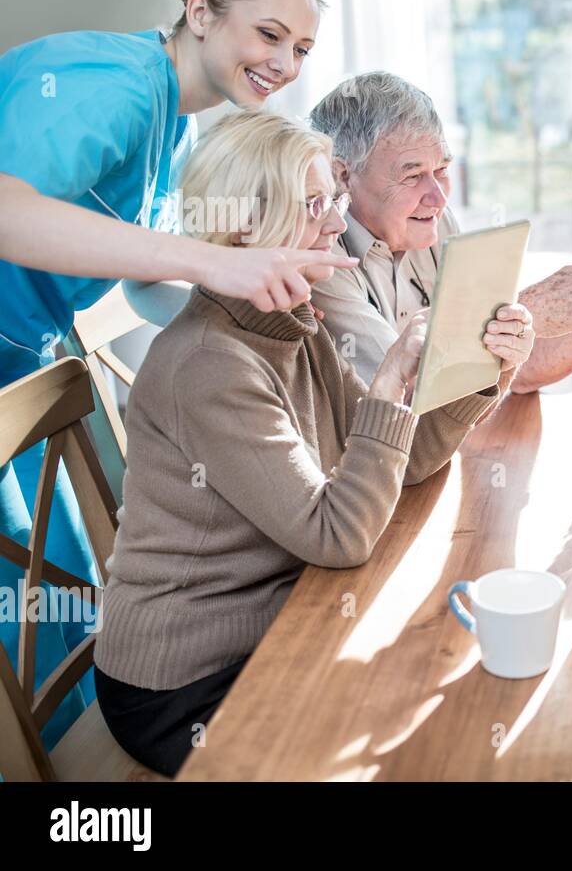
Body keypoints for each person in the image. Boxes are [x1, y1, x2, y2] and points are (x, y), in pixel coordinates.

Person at [93, 110, 534, 777]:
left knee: (436, 692)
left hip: (283, 614)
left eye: (332, 195)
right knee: (419, 730)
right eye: (315, 203)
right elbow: (339, 537)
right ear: (245, 225)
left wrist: (484, 375)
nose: (336, 218)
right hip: (182, 685)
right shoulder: (211, 363)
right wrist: (389, 382)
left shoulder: (290, 318)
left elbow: (403, 462)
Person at [0, 0, 355, 747]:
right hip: (13, 359)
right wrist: (214, 267)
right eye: (269, 35)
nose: (286, 63)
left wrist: (265, 307)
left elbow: (143, 279)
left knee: (57, 592)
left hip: (22, 356)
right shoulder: (115, 88)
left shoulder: (182, 130)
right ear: (199, 12)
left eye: (301, 48)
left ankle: (75, 755)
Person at [306, 72, 572, 391]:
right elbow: (411, 392)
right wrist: (525, 312)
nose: (437, 196)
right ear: (342, 176)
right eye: (413, 175)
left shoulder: (431, 221)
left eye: (443, 168)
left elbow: (509, 372)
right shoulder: (319, 253)